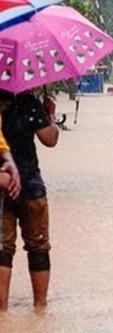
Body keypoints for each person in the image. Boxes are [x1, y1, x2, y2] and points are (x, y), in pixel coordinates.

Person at [0, 91, 58, 313]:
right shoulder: (29, 103)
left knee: (3, 249)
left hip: (3, 185)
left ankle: (2, 312)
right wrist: (50, 115)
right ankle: (40, 308)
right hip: (30, 185)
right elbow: (50, 139)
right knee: (38, 246)